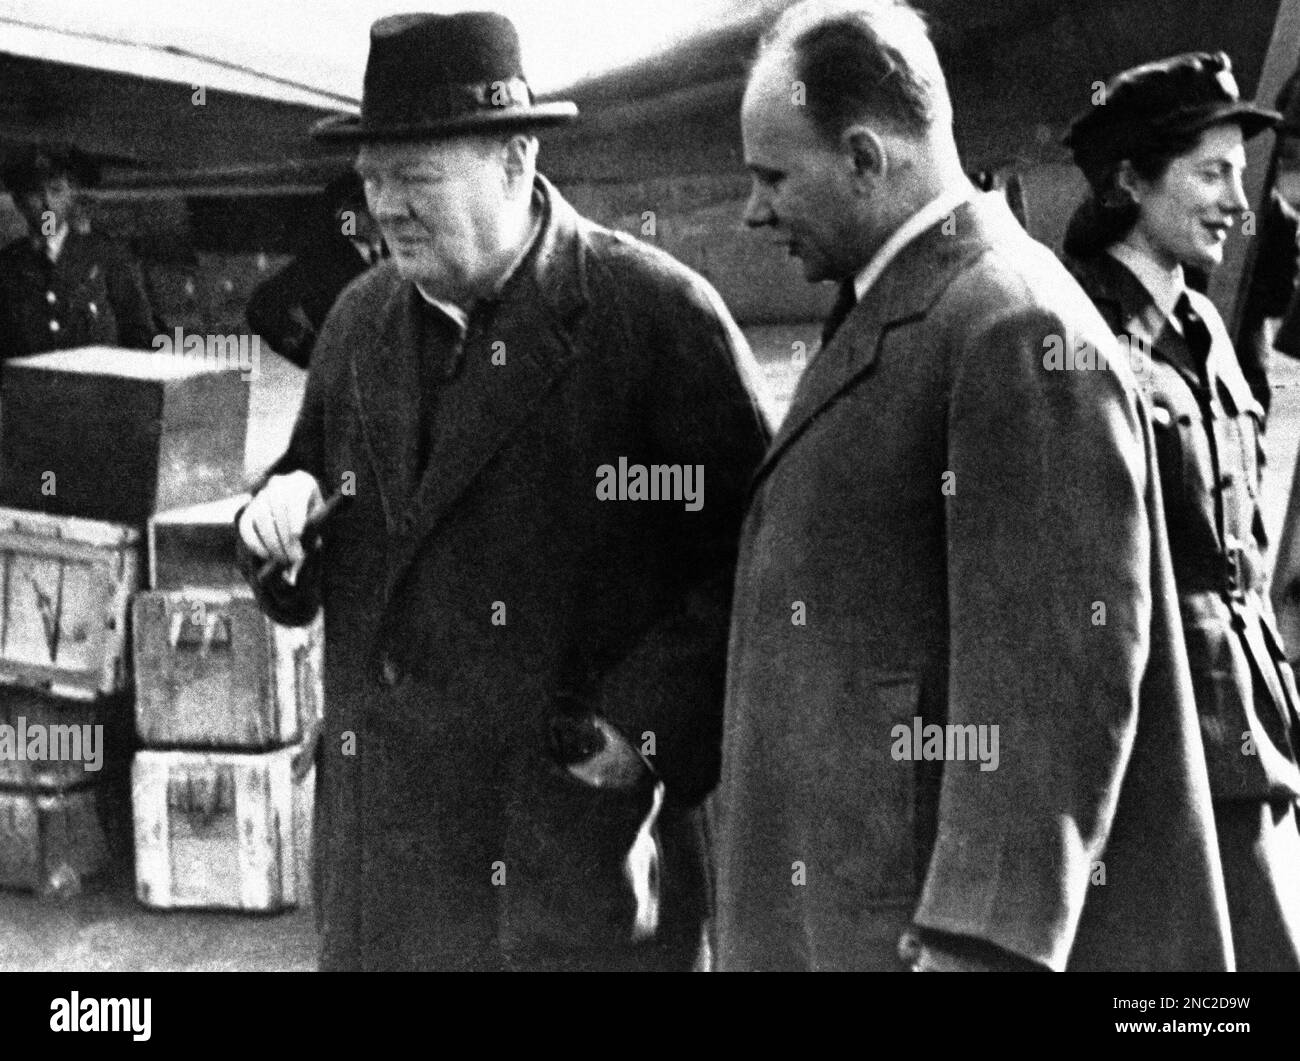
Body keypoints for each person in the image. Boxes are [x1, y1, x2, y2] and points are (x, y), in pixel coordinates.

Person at [235, 11, 770, 972]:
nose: (384, 209)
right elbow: (312, 489)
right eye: (372, 180)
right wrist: (274, 529)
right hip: (384, 882)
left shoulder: (654, 318)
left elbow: (757, 571)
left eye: (416, 179)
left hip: (563, 873)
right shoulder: (359, 322)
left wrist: (633, 730)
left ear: (518, 158)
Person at [715, 0, 1232, 972]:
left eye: (772, 177)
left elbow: (1060, 668)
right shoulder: (917, 308)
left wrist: (977, 941)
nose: (752, 211)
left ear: (868, 159)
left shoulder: (1008, 329)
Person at [1062, 51, 1300, 970]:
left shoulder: (1203, 330)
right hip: (1164, 767)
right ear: (1129, 181)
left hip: (1253, 741)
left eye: (1239, 175)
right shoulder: (1081, 340)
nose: (1240, 203)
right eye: (1211, 174)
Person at [0, 145, 156, 359]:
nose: (47, 204)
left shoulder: (107, 255)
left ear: (71, 196)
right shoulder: (8, 266)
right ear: (19, 202)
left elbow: (140, 336)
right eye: (35, 193)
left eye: (56, 191)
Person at [246, 172, 384, 368]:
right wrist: (312, 355)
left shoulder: (402, 254)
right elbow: (260, 309)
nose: (345, 222)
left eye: (351, 212)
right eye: (341, 215)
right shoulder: (320, 263)